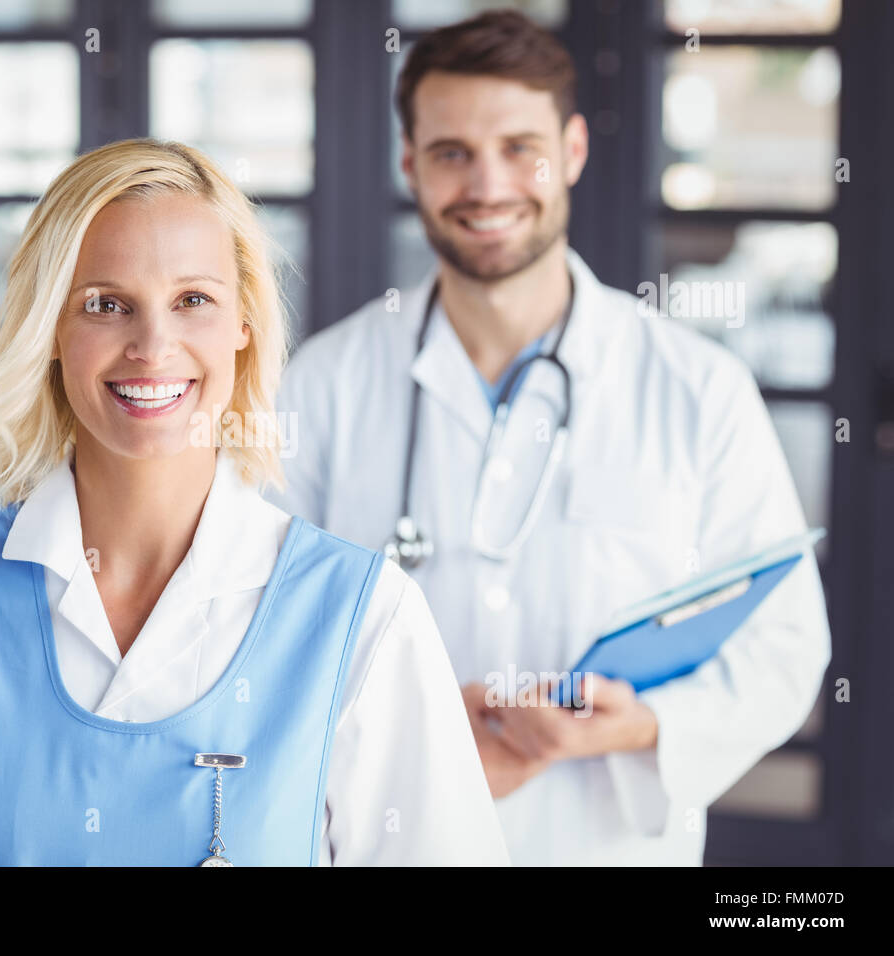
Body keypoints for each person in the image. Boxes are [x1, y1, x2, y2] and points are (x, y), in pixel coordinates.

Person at [0, 138, 509, 866]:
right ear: (48, 327)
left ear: (242, 325)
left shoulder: (367, 619)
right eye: (106, 304)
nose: (152, 345)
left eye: (193, 300)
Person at [267, 12, 831, 866]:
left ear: (570, 152)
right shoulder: (324, 384)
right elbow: (261, 635)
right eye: (452, 152)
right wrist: (399, 722)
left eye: (519, 149)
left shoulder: (698, 390)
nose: (488, 186)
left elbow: (786, 646)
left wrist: (643, 725)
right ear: (410, 165)